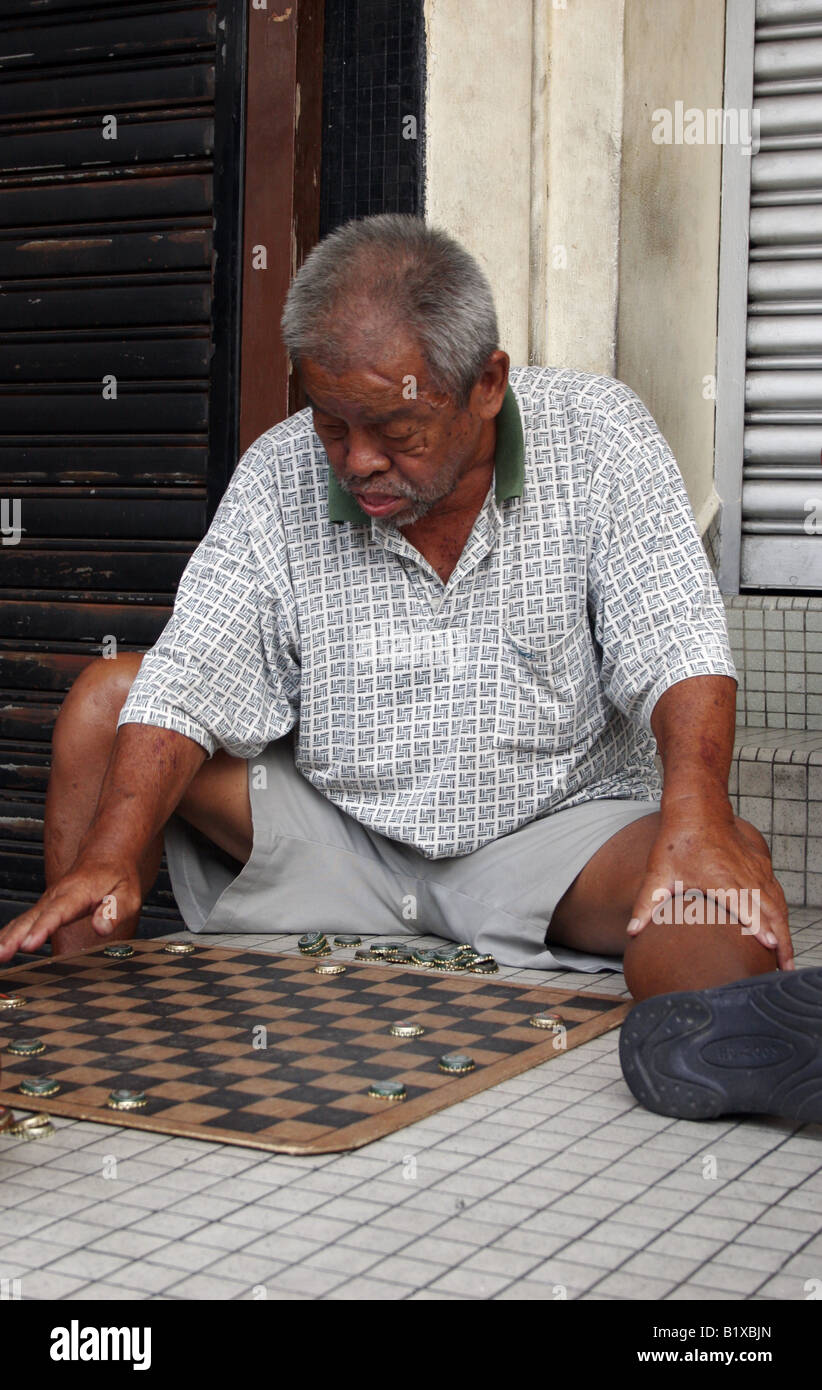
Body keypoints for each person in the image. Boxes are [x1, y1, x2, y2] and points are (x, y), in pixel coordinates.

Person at [1, 214, 818, 1123]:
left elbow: (678, 640)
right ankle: (68, 1035)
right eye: (331, 425)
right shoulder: (277, 476)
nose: (357, 461)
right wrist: (113, 855)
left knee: (713, 885)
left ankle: (713, 1039)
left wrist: (698, 816)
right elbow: (193, 670)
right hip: (339, 834)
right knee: (106, 701)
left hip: (553, 840)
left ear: (488, 384)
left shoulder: (597, 435)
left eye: (394, 428)